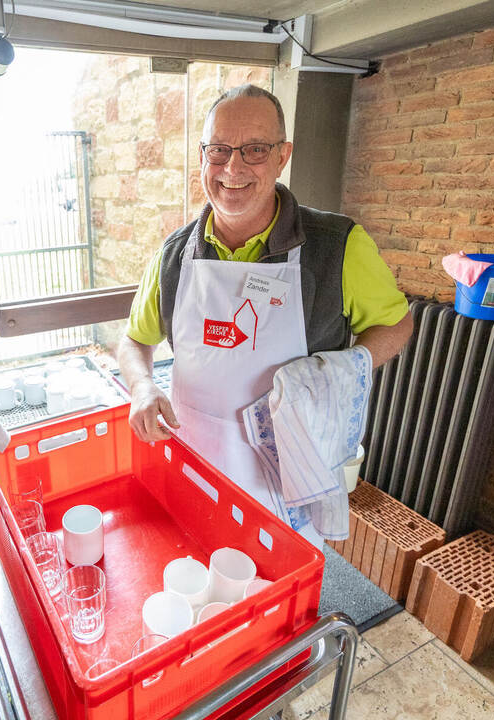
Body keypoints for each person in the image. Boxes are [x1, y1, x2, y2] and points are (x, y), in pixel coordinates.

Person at [118, 84, 413, 546]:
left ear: (282, 156)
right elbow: (135, 340)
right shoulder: (173, 257)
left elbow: (396, 324)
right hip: (195, 463)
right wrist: (140, 386)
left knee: (278, 597)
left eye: (254, 150)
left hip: (289, 477)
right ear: (202, 158)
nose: (232, 168)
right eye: (218, 150)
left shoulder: (339, 246)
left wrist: (340, 367)